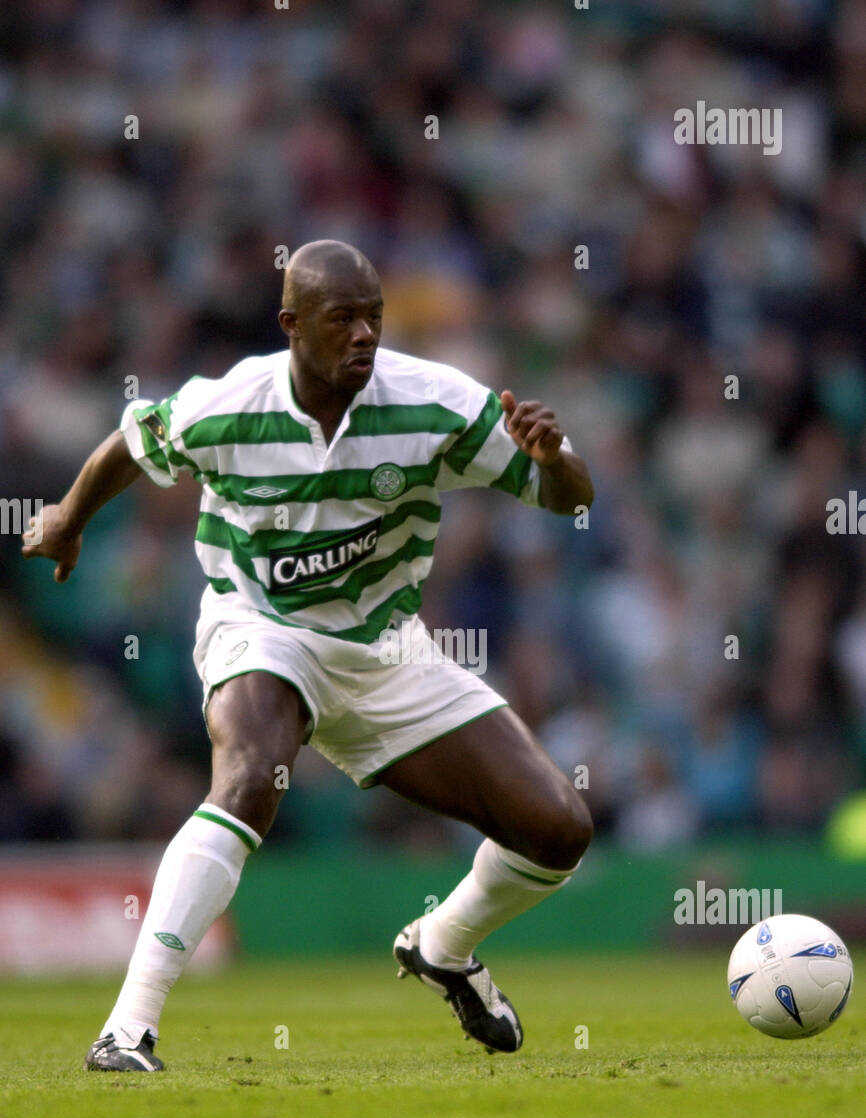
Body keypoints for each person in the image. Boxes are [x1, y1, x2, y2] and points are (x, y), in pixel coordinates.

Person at [22, 240, 594, 1071]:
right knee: (252, 776)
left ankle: (442, 944)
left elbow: (565, 495)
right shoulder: (229, 405)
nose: (364, 335)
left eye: (375, 318)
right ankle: (127, 1028)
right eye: (343, 319)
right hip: (260, 626)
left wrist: (558, 459)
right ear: (292, 325)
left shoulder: (434, 403)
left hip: (387, 653)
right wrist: (70, 518)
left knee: (557, 829)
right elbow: (130, 445)